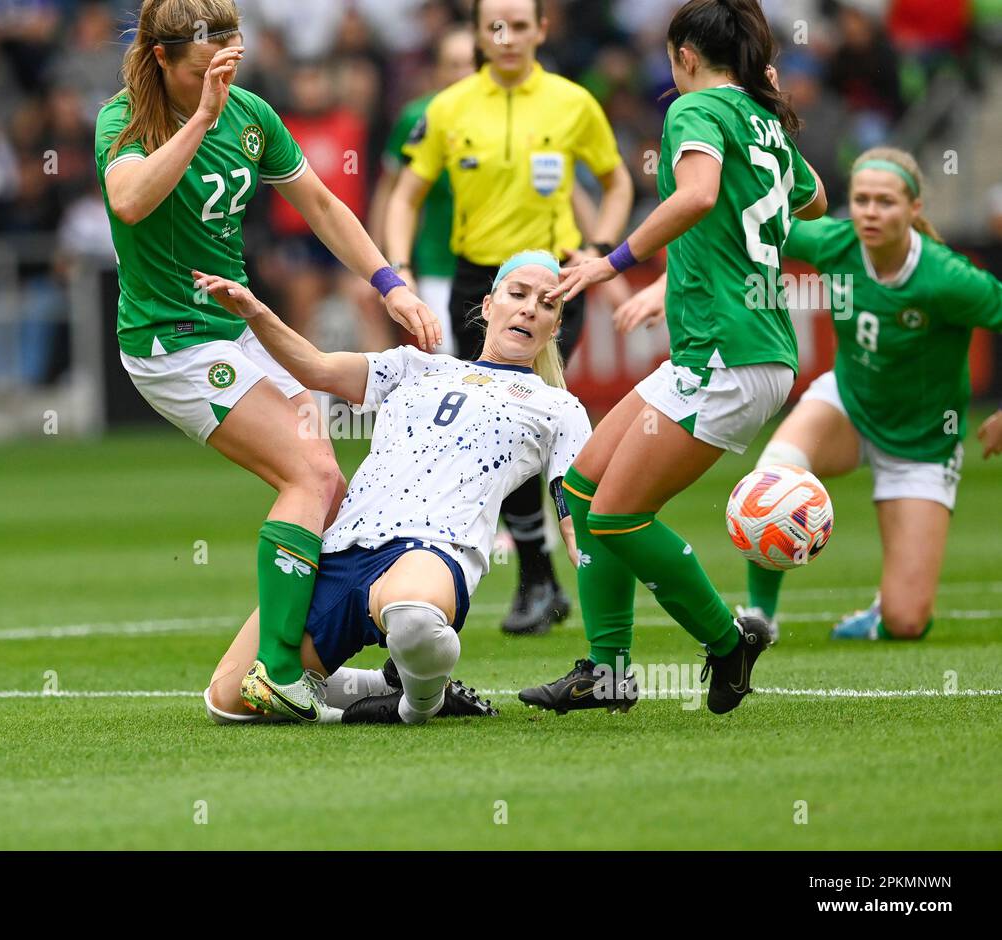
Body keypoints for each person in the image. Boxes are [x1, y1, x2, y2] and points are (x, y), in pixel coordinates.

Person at [95, 0, 441, 722]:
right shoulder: (125, 119)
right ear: (163, 59)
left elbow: (319, 203)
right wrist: (198, 120)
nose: (224, 67)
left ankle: (255, 678)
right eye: (203, 60)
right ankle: (283, 671)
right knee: (309, 475)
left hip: (239, 328)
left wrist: (390, 282)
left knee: (332, 494)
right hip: (173, 343)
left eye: (232, 46)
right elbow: (128, 202)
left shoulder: (251, 114)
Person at [520, 0, 827, 716]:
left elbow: (697, 195)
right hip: (728, 346)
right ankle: (608, 671)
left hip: (727, 351)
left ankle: (729, 640)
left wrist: (615, 260)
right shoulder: (761, 119)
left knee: (618, 516)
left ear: (685, 54)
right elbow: (807, 203)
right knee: (585, 485)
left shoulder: (694, 112)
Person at [616, 148, 1002, 642]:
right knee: (775, 470)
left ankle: (881, 615)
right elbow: (744, 242)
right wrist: (666, 283)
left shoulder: (948, 277)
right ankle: (760, 616)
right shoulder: (836, 242)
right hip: (849, 406)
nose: (870, 211)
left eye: (885, 202)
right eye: (861, 199)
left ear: (915, 209)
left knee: (907, 623)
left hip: (922, 443)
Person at [195, 251, 591, 724]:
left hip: (435, 546)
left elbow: (575, 506)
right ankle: (382, 686)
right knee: (229, 700)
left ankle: (421, 704)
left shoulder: (558, 407)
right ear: (488, 306)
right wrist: (256, 312)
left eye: (546, 304)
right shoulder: (414, 366)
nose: (529, 308)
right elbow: (316, 368)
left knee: (413, 616)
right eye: (517, 294)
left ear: (555, 327)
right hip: (344, 546)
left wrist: (589, 553)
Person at [383, 0, 634, 637]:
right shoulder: (448, 108)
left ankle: (553, 571)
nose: (508, 36)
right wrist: (400, 267)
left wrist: (599, 247)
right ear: (477, 34)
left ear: (543, 30)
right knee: (495, 425)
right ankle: (537, 575)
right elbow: (406, 194)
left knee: (532, 417)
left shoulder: (574, 103)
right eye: (495, 25)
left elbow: (617, 180)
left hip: (552, 283)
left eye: (521, 24)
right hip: (480, 283)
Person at [368, 24, 476, 356]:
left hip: (498, 259)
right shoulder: (417, 117)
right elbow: (390, 192)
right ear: (438, 70)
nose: (461, 72)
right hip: (436, 261)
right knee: (445, 352)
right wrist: (378, 264)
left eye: (469, 63)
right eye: (453, 63)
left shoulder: (504, 117)